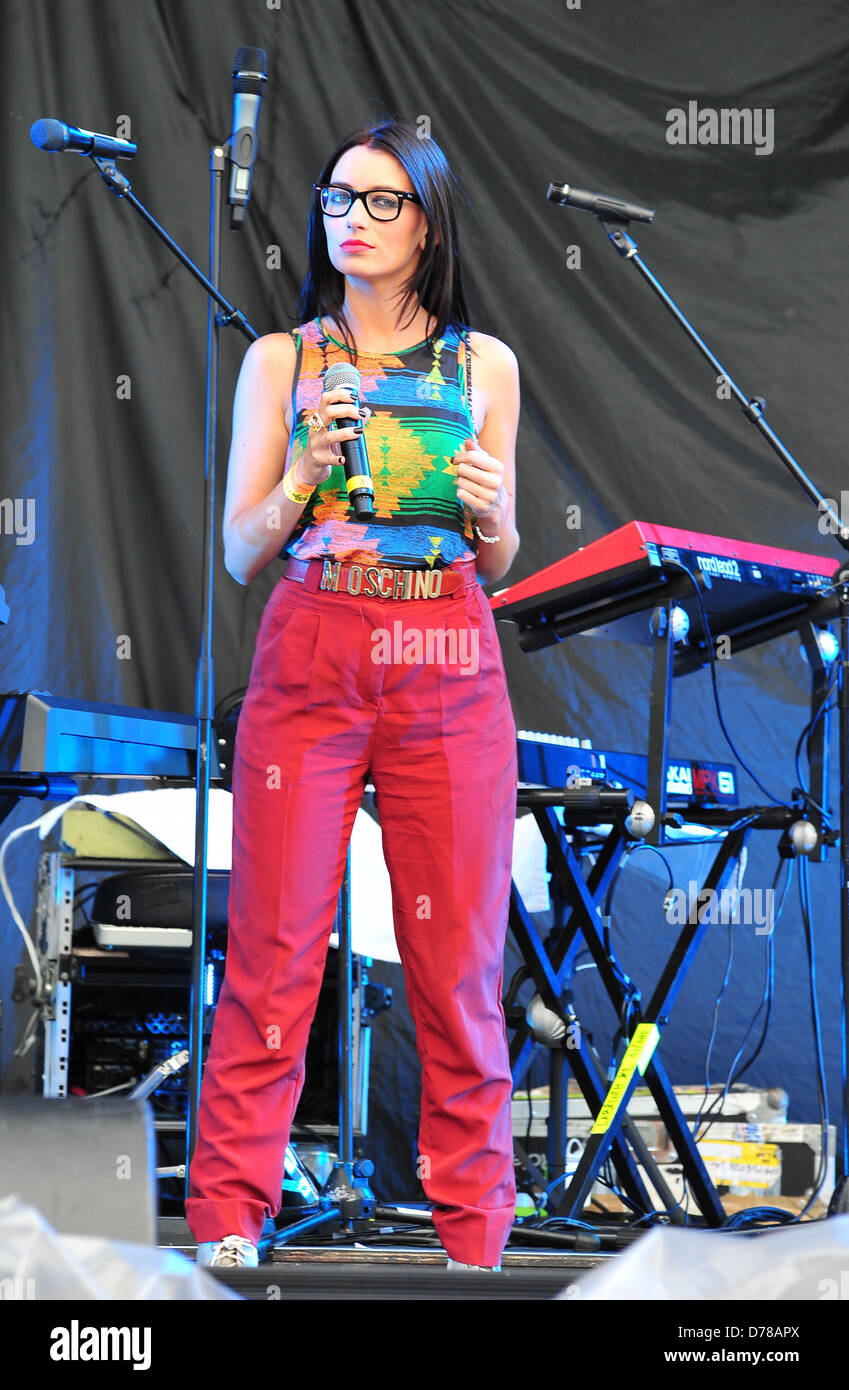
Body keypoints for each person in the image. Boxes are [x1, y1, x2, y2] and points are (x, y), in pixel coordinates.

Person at [186, 119, 521, 1272]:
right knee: (276, 949)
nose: (352, 219)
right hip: (318, 633)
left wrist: (492, 513)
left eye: (380, 202)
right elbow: (240, 549)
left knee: (458, 960)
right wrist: (300, 481)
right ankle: (231, 1224)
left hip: (447, 645)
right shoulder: (283, 360)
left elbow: (506, 554)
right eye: (338, 198)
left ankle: (474, 1242)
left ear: (426, 222)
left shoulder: (486, 368)